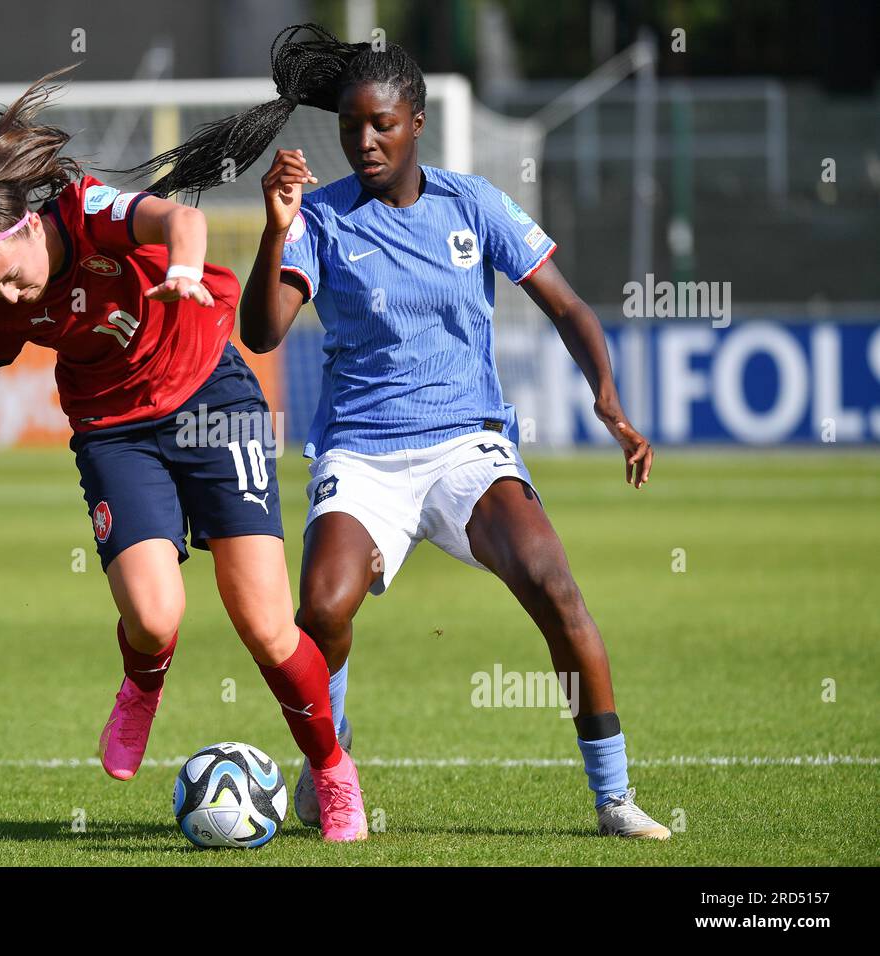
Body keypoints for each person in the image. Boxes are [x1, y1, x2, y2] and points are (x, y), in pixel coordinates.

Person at [116, 25, 670, 839]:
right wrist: (276, 228)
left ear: (416, 122)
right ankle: (329, 765)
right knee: (322, 607)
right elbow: (264, 334)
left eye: (380, 124)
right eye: (349, 126)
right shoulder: (323, 219)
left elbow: (569, 307)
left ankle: (615, 797)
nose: (363, 140)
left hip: (468, 447)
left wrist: (610, 401)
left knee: (556, 588)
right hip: (361, 454)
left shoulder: (472, 202)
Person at [0, 67, 367, 841]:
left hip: (213, 400)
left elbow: (183, 225)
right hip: (114, 427)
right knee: (153, 618)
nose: (12, 300)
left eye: (14, 278)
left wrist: (182, 274)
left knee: (266, 628)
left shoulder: (86, 213)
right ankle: (141, 685)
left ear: (30, 229)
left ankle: (332, 771)